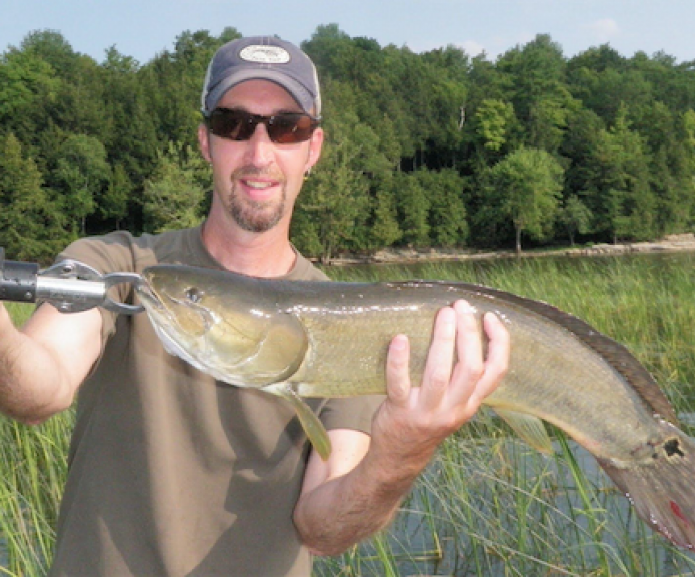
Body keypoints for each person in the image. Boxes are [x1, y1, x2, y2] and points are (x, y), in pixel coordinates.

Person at [0, 36, 510, 576]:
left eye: (286, 128)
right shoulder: (117, 264)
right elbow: (41, 387)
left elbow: (324, 526)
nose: (259, 153)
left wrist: (404, 449)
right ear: (205, 141)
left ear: (312, 149)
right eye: (234, 125)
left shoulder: (351, 322)